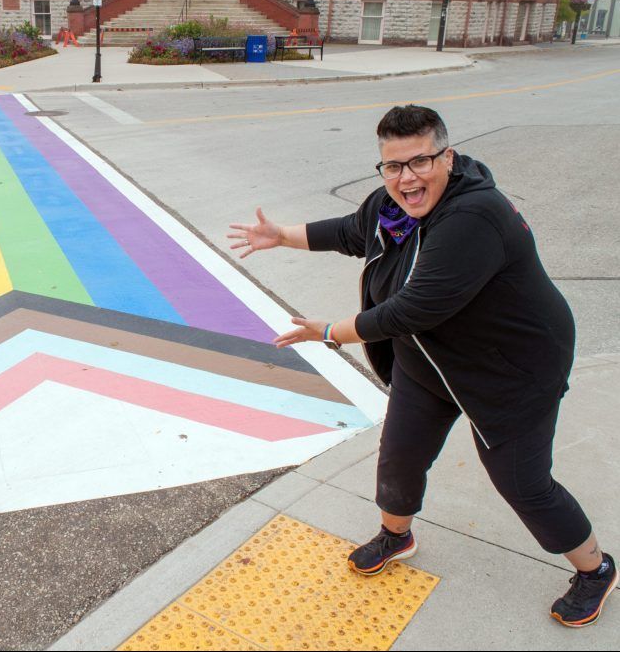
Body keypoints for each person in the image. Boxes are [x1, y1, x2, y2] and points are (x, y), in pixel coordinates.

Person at [228, 105, 616, 627]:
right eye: (393, 166)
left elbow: (414, 308)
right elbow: (351, 230)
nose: (407, 178)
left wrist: (329, 332)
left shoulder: (474, 217)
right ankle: (397, 533)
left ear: (447, 158)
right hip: (430, 359)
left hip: (510, 371)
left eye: (421, 162)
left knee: (523, 483)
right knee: (400, 457)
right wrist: (282, 234)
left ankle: (596, 570)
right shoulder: (391, 205)